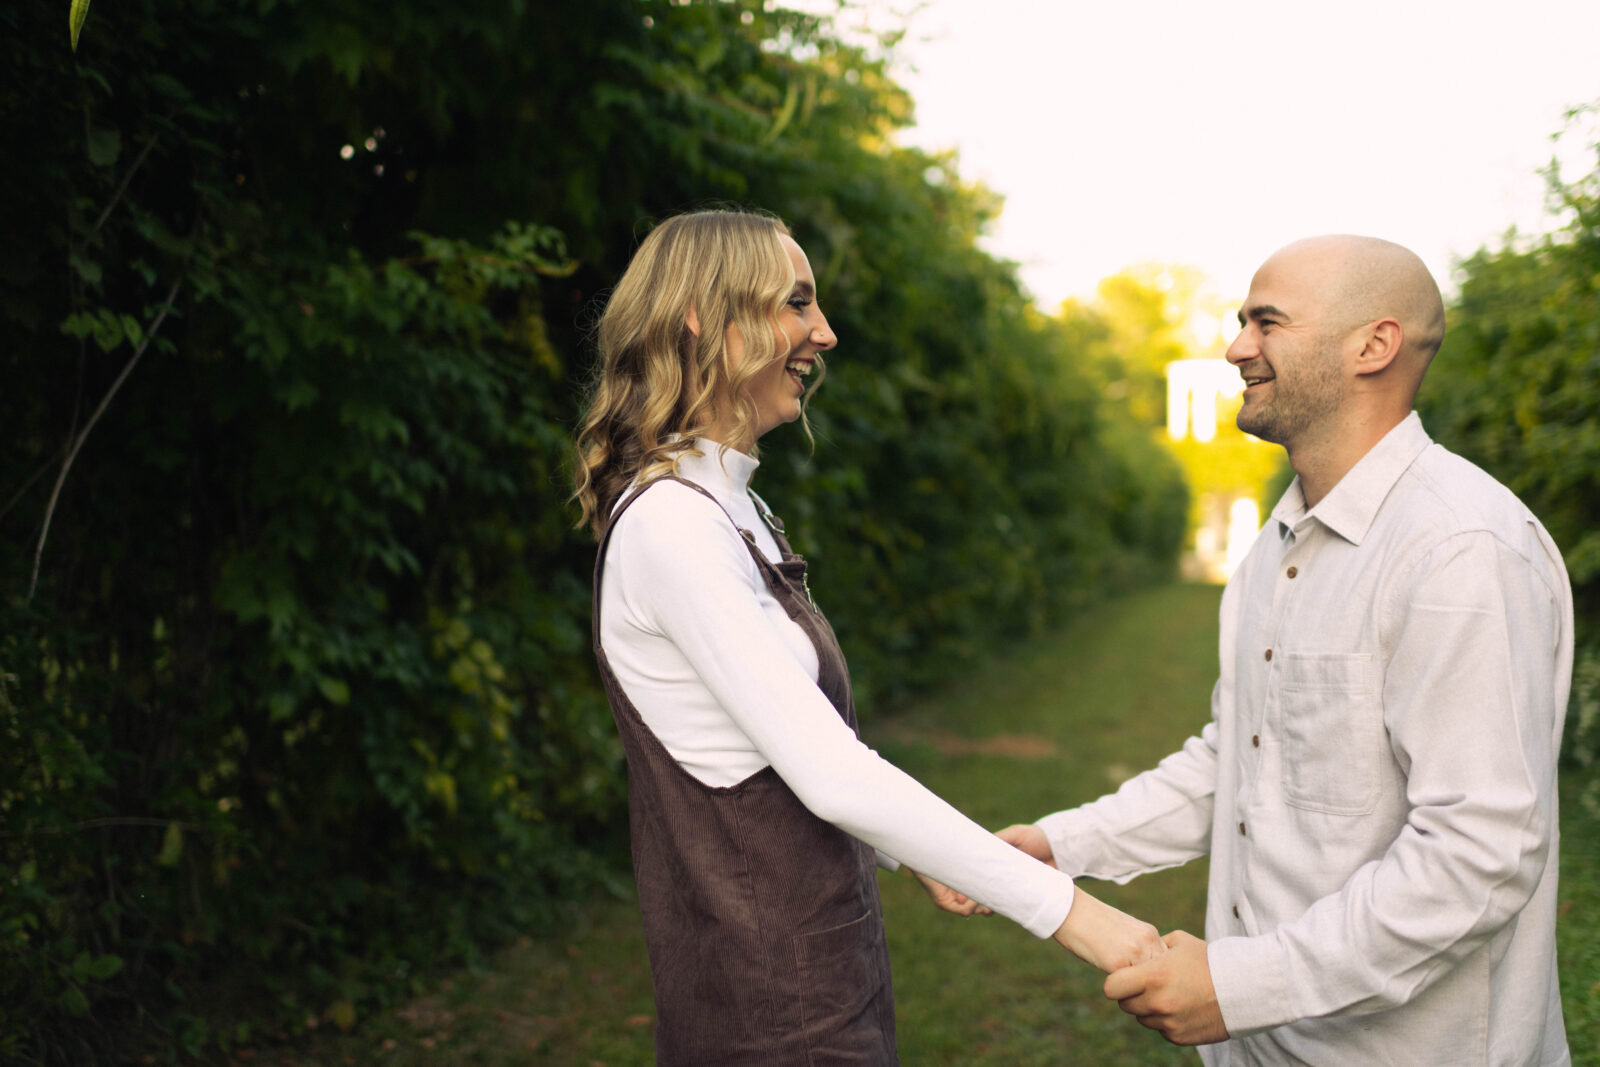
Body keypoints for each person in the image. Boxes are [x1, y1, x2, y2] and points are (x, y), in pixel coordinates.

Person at [571, 208, 1163, 1065]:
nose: (825, 332)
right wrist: (1078, 916)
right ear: (705, 318)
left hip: (820, 979)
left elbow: (788, 744)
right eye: (797, 302)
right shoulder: (674, 524)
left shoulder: (731, 504)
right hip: (768, 1014)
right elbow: (832, 773)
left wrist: (920, 854)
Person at [987, 234, 1575, 1065]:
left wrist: (1242, 984)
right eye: (1241, 323)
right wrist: (1061, 844)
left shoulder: (1460, 549)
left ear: (1374, 345)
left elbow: (1482, 852)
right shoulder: (1278, 544)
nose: (1237, 348)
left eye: (1266, 322)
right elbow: (1239, 758)